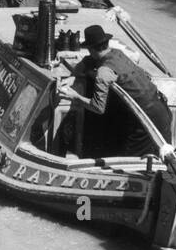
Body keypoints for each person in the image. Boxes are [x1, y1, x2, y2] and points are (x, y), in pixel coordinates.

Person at [59, 24, 163, 157]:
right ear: (106, 43)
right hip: (160, 109)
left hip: (146, 120)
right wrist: (74, 76)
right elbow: (89, 61)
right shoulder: (117, 54)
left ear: (90, 49)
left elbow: (98, 107)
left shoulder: (103, 71)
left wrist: (75, 96)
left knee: (132, 163)